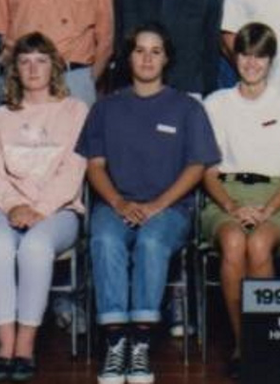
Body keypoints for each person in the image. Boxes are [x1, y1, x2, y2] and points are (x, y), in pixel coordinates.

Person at [78, 23, 221, 384]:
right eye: (139, 50)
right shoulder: (106, 108)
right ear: (128, 58)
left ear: (167, 58)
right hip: (116, 204)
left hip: (170, 209)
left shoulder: (187, 108)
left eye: (155, 51)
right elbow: (95, 166)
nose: (147, 58)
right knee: (105, 239)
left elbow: (197, 166)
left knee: (151, 242)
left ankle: (140, 343)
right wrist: (117, 202)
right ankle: (116, 344)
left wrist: (158, 204)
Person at [0, 33, 89, 383]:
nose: (33, 68)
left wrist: (39, 208)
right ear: (15, 70)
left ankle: (25, 346)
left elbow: (73, 169)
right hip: (6, 208)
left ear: (54, 66)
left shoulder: (74, 111)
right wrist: (14, 206)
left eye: (41, 60)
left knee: (35, 247)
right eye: (25, 61)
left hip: (59, 210)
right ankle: (4, 346)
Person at [200, 22, 280, 379]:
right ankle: (243, 344)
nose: (251, 63)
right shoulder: (216, 103)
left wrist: (267, 210)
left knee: (259, 243)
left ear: (270, 61)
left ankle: (265, 341)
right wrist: (232, 207)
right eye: (245, 54)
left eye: (260, 56)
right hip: (225, 197)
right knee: (233, 241)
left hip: (276, 198)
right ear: (234, 57)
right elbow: (207, 171)